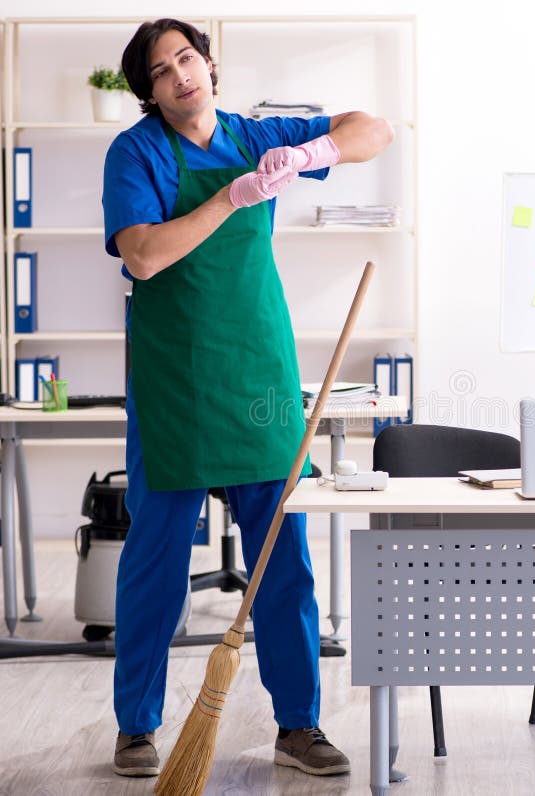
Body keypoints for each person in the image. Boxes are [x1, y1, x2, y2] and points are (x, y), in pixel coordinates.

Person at [102, 18, 393, 779]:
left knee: (282, 561)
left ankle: (298, 725)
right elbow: (143, 255)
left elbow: (375, 129)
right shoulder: (134, 153)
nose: (180, 76)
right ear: (150, 92)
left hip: (258, 371)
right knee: (156, 563)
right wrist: (232, 198)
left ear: (210, 64)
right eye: (162, 71)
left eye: (187, 58)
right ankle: (136, 727)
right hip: (175, 382)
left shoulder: (254, 133)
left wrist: (312, 151)